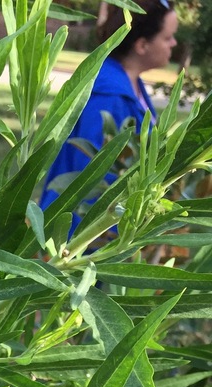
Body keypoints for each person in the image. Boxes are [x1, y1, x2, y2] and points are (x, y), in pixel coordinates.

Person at [39, 0, 178, 230]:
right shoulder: (109, 97)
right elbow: (92, 179)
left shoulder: (130, 82)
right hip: (79, 238)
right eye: (167, 37)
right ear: (142, 45)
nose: (174, 43)